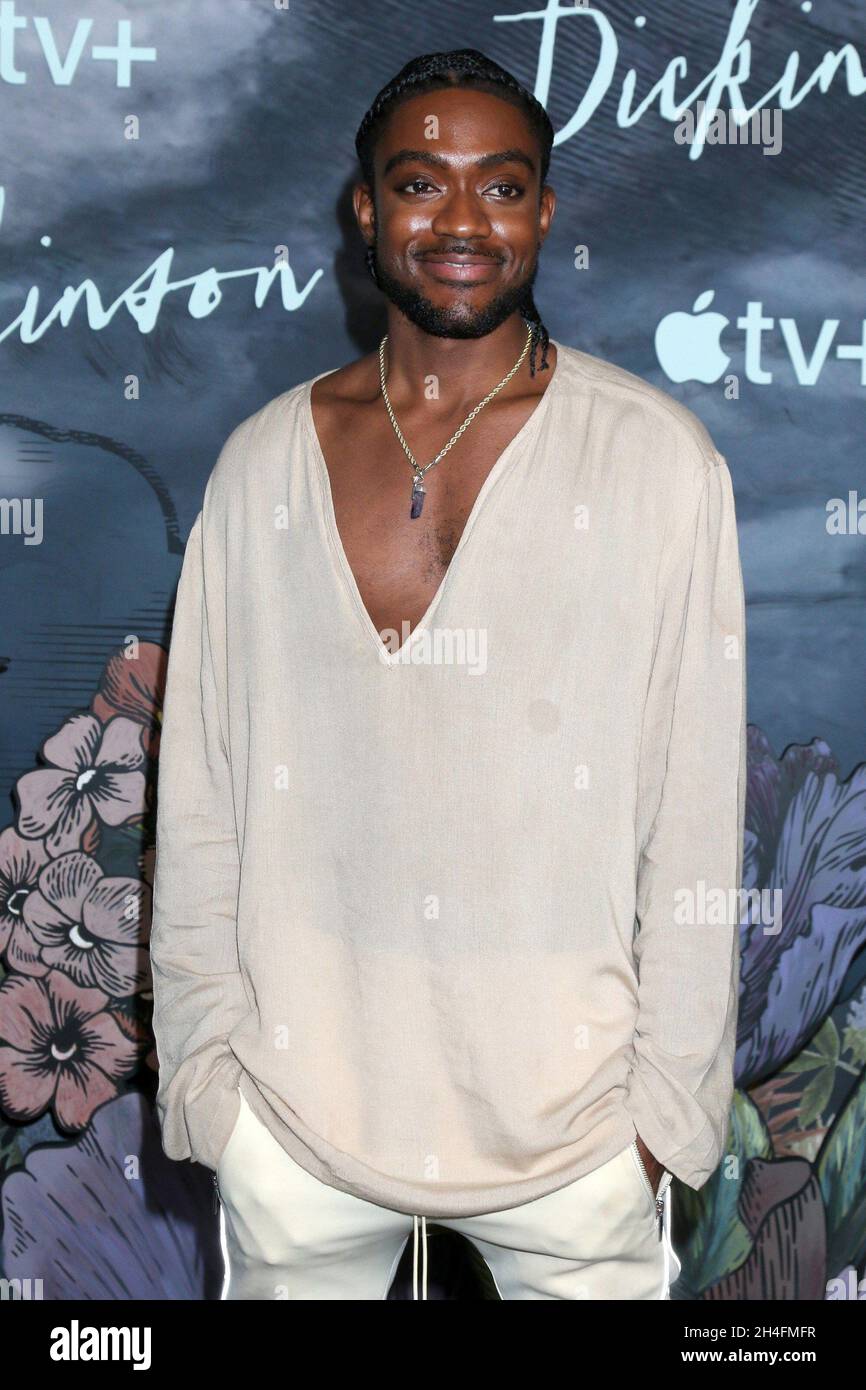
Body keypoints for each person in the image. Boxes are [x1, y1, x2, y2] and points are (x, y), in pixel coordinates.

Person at [150, 48, 747, 1301]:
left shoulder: (656, 465)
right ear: (365, 210)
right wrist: (213, 1087)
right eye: (421, 184)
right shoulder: (258, 467)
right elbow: (198, 798)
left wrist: (655, 1126)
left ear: (542, 211)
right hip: (292, 1123)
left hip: (574, 1138)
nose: (462, 222)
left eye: (502, 186)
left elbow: (694, 810)